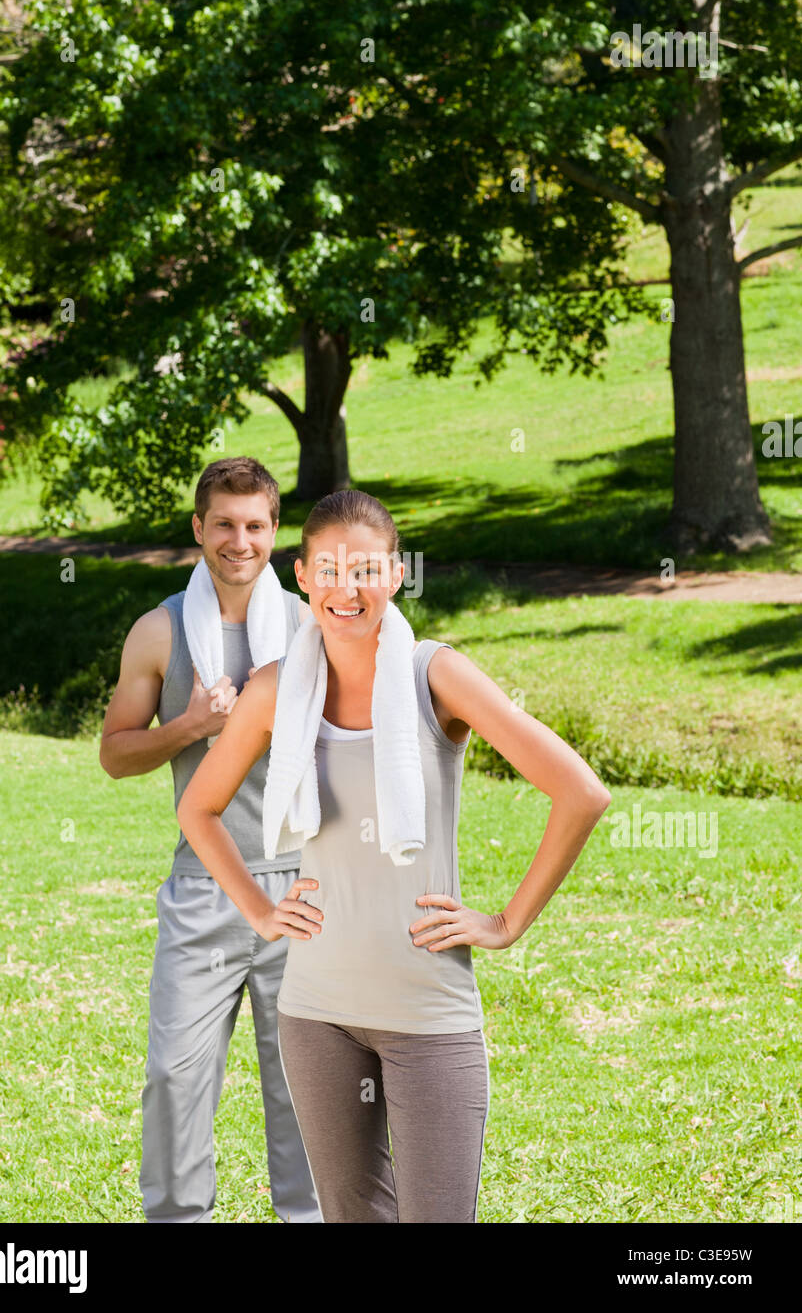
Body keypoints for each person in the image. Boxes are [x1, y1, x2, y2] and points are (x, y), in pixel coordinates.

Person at [177, 489, 611, 1223]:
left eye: (368, 570)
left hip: (428, 1010)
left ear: (396, 574)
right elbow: (199, 807)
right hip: (317, 1013)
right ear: (303, 575)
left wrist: (505, 922)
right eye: (332, 570)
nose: (350, 589)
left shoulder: (434, 675)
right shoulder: (277, 690)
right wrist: (258, 907)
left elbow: (581, 792)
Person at [99, 456, 320, 1224]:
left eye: (255, 524)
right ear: (199, 529)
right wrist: (192, 725)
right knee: (173, 1079)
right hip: (204, 887)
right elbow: (114, 753)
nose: (239, 540)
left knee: (306, 1087)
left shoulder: (307, 628)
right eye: (223, 523)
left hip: (301, 886)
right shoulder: (159, 631)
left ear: (273, 531)